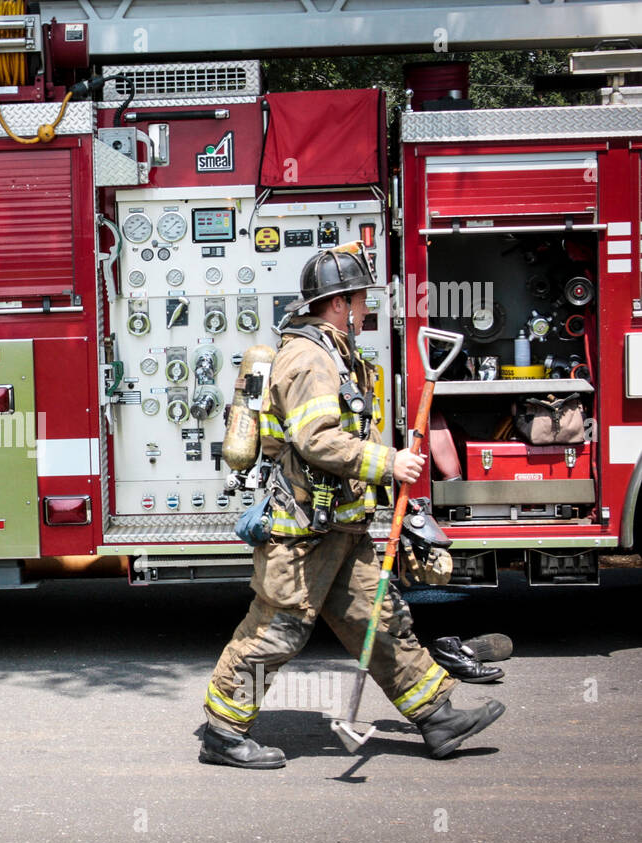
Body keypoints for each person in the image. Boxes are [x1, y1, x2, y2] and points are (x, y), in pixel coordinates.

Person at [200, 245, 504, 768]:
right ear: (338, 303)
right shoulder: (311, 359)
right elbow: (317, 440)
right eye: (361, 300)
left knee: (379, 619)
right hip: (301, 533)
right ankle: (224, 732)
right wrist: (388, 463)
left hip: (341, 524)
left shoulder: (333, 351)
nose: (367, 310)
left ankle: (436, 716)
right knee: (278, 629)